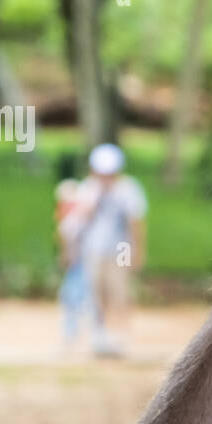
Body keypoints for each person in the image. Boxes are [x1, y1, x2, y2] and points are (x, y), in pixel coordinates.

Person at [74, 143, 147, 356]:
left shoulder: (128, 189)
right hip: (94, 248)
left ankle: (120, 336)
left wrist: (137, 251)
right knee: (97, 291)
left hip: (120, 249)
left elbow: (135, 222)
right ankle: (99, 335)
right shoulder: (88, 189)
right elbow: (78, 222)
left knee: (120, 291)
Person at [54, 178, 93, 350]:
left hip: (82, 266)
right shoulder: (72, 219)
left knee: (75, 298)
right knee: (72, 298)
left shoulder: (74, 221)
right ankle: (74, 334)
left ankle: (77, 335)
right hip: (77, 266)